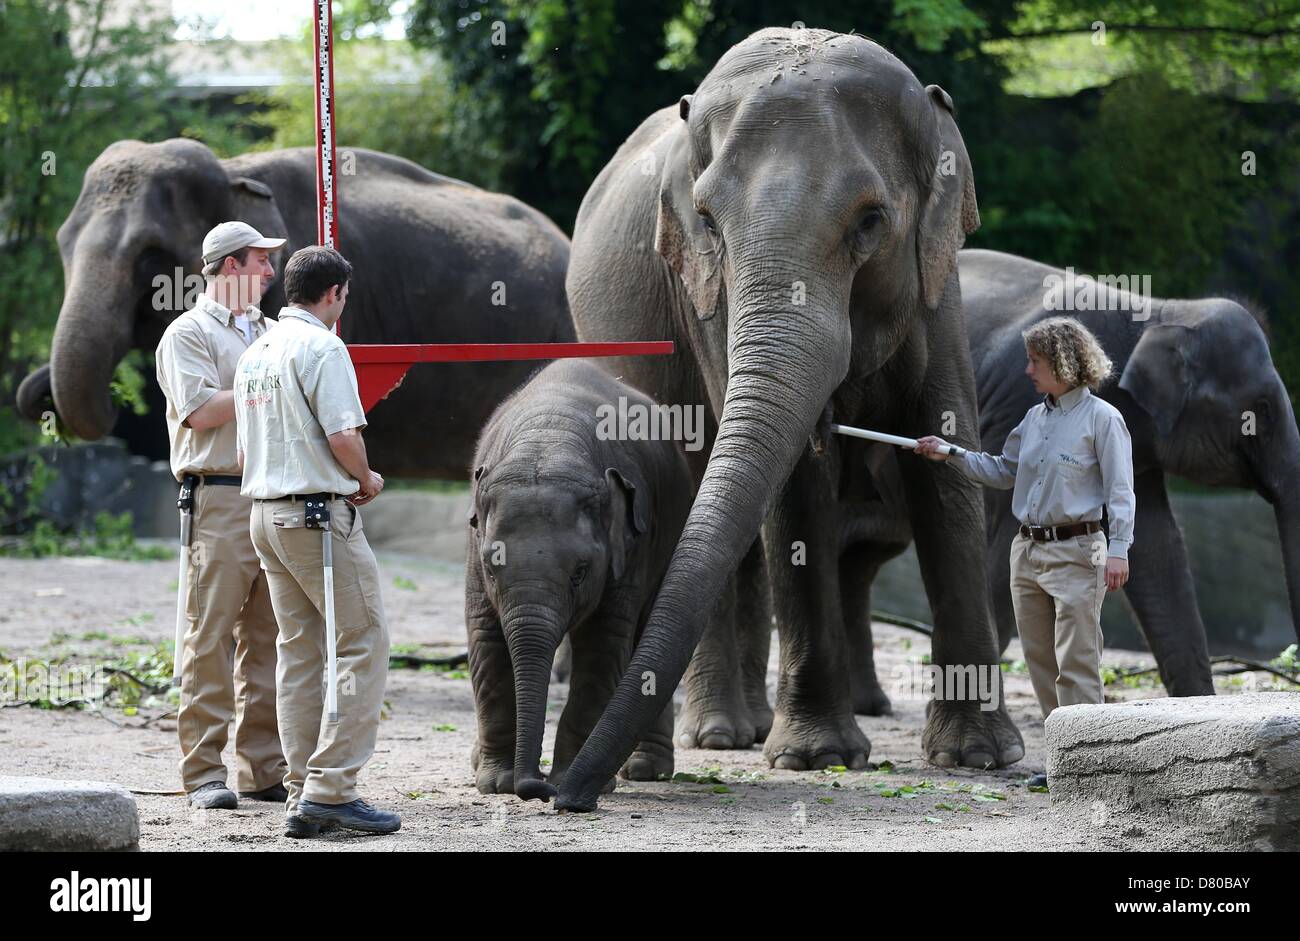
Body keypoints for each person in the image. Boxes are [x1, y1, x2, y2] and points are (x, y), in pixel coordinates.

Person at [916, 316, 1135, 786]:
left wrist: (1119, 549)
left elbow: (1121, 492)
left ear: (1063, 363)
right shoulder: (1035, 419)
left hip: (1080, 551)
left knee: (1077, 661)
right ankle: (1065, 765)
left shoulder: (1104, 420)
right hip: (1028, 552)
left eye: (1035, 362)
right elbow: (1001, 470)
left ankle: (1089, 769)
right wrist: (950, 453)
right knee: (1041, 662)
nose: (1027, 371)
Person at [234, 245, 398, 837]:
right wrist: (366, 479)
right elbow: (342, 435)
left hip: (264, 514)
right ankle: (332, 790)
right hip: (316, 516)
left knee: (298, 650)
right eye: (344, 297)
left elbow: (245, 450)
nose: (344, 306)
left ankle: (304, 785)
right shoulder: (324, 348)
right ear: (333, 294)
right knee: (364, 640)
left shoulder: (255, 352)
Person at [155, 221, 288, 810]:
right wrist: (270, 382)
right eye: (261, 261)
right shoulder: (186, 333)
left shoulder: (270, 330)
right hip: (216, 497)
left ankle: (263, 770)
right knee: (208, 634)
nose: (269, 273)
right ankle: (203, 772)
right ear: (230, 267)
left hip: (271, 492)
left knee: (269, 637)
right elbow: (201, 411)